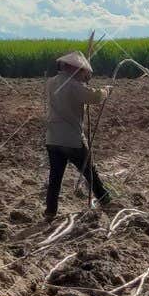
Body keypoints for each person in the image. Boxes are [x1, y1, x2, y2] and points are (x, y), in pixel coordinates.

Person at [44, 50, 110, 217]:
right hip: (71, 139)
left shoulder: (51, 82)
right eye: (82, 71)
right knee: (89, 171)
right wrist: (106, 91)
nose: (84, 74)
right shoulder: (74, 86)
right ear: (74, 69)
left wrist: (85, 83)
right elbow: (95, 97)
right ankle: (105, 199)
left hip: (53, 138)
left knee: (55, 178)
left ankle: (50, 211)